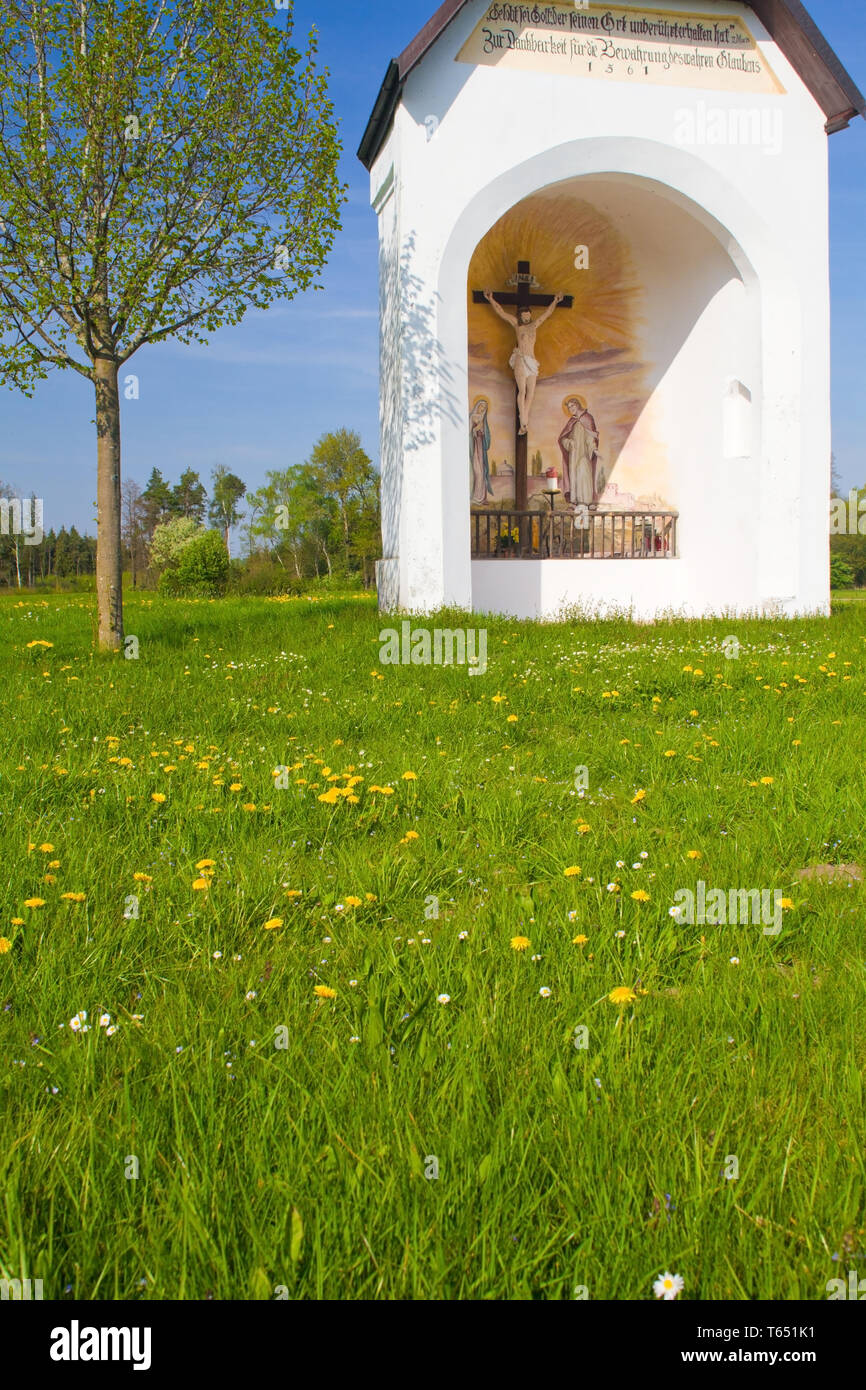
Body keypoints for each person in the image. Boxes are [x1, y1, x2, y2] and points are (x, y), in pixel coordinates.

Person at [483, 289, 564, 434]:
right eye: (524, 316)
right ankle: (523, 422)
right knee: (522, 391)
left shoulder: (534, 325)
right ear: (520, 316)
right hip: (520, 359)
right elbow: (501, 312)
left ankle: (524, 418)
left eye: (528, 316)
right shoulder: (517, 325)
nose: (527, 318)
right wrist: (491, 299)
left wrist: (555, 301)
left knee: (531, 393)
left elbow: (547, 314)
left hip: (531, 361)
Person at [558, 396, 599, 506]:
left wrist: (594, 449)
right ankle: (575, 501)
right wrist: (569, 442)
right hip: (573, 455)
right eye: (569, 407)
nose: (571, 408)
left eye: (572, 405)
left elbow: (591, 436)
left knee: (584, 473)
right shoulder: (572, 421)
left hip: (584, 453)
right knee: (574, 476)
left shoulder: (587, 418)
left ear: (578, 405)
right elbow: (563, 439)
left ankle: (587, 501)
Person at [470, 397, 492, 504]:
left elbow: (487, 436)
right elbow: (468, 432)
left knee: (482, 473)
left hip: (481, 449)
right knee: (477, 472)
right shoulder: (472, 417)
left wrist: (483, 433)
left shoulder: (484, 421)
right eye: (481, 406)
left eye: (485, 407)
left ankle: (481, 498)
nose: (482, 409)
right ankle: (475, 496)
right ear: (477, 406)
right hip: (474, 448)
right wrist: (474, 430)